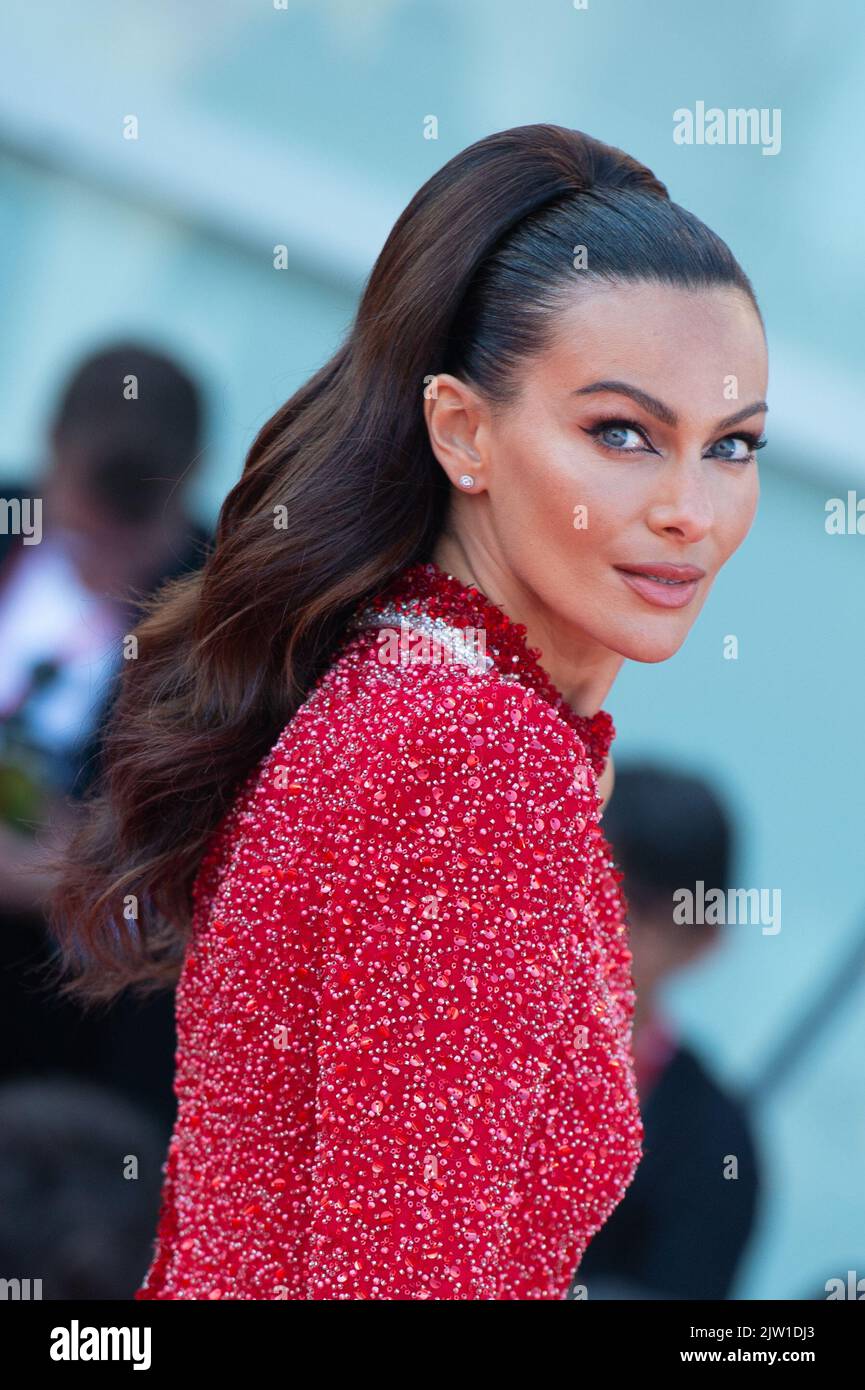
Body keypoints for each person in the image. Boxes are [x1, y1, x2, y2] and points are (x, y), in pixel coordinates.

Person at [48, 124, 768, 1300]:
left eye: (733, 445)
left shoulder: (410, 696)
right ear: (462, 431)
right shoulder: (469, 758)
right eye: (621, 433)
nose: (691, 508)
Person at [0, 343, 209, 1130]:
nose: (107, 561)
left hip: (61, 1042)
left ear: (185, 486)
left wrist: (73, 880)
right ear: (51, 451)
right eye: (88, 528)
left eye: (135, 533)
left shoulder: (220, 620)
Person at [573, 764, 762, 1300]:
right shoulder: (436, 1052)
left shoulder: (715, 1141)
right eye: (588, 884)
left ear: (704, 940)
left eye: (645, 909)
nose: (605, 920)